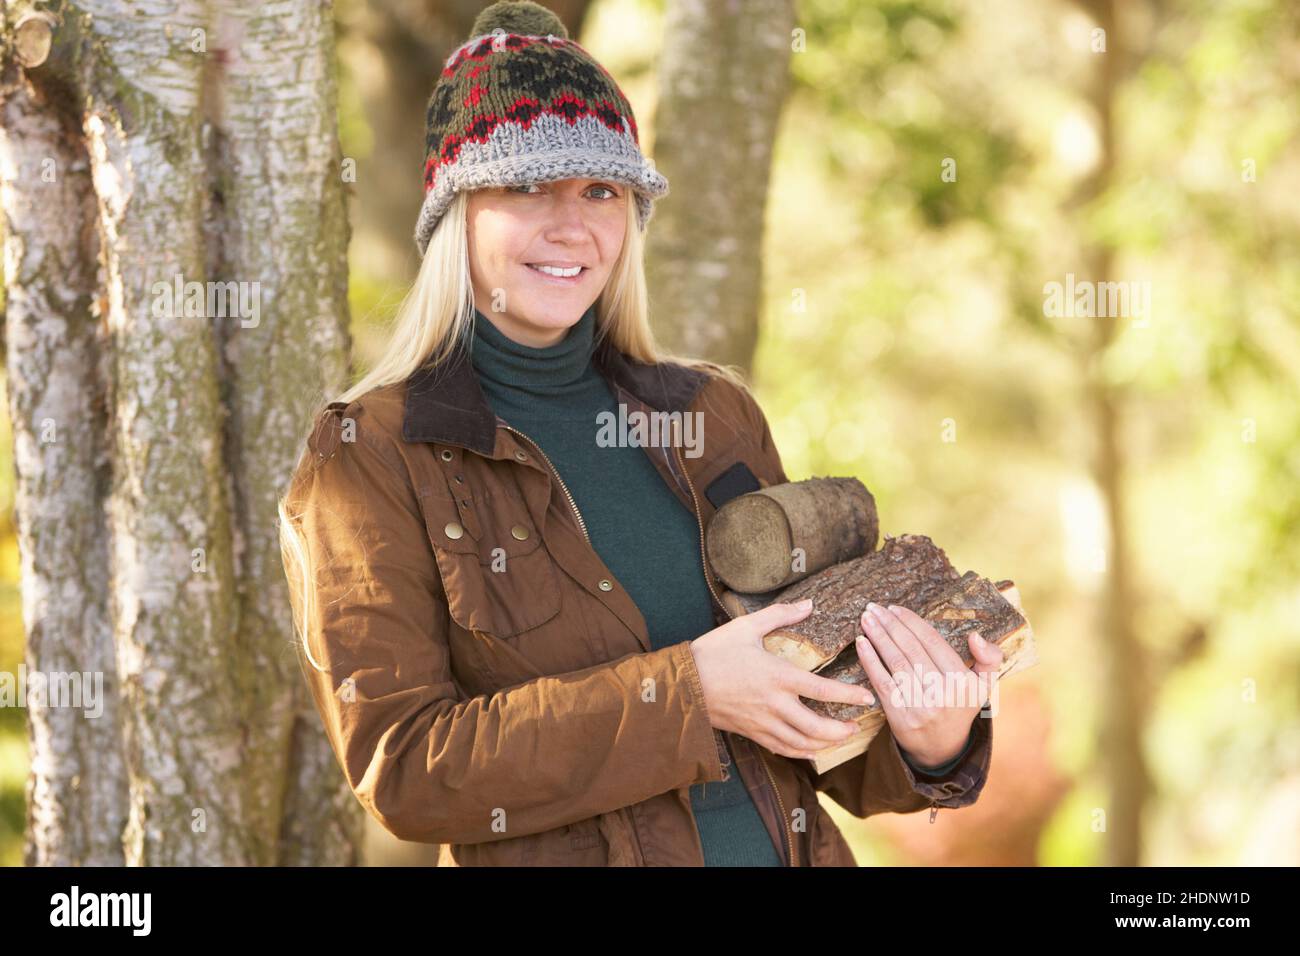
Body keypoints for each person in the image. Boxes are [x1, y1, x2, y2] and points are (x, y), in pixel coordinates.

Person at [278, 0, 999, 867]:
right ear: (454, 215)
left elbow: (821, 730)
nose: (572, 226)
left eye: (600, 191)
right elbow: (407, 769)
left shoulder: (710, 417)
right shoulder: (371, 457)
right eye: (527, 187)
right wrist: (685, 695)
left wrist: (932, 740)